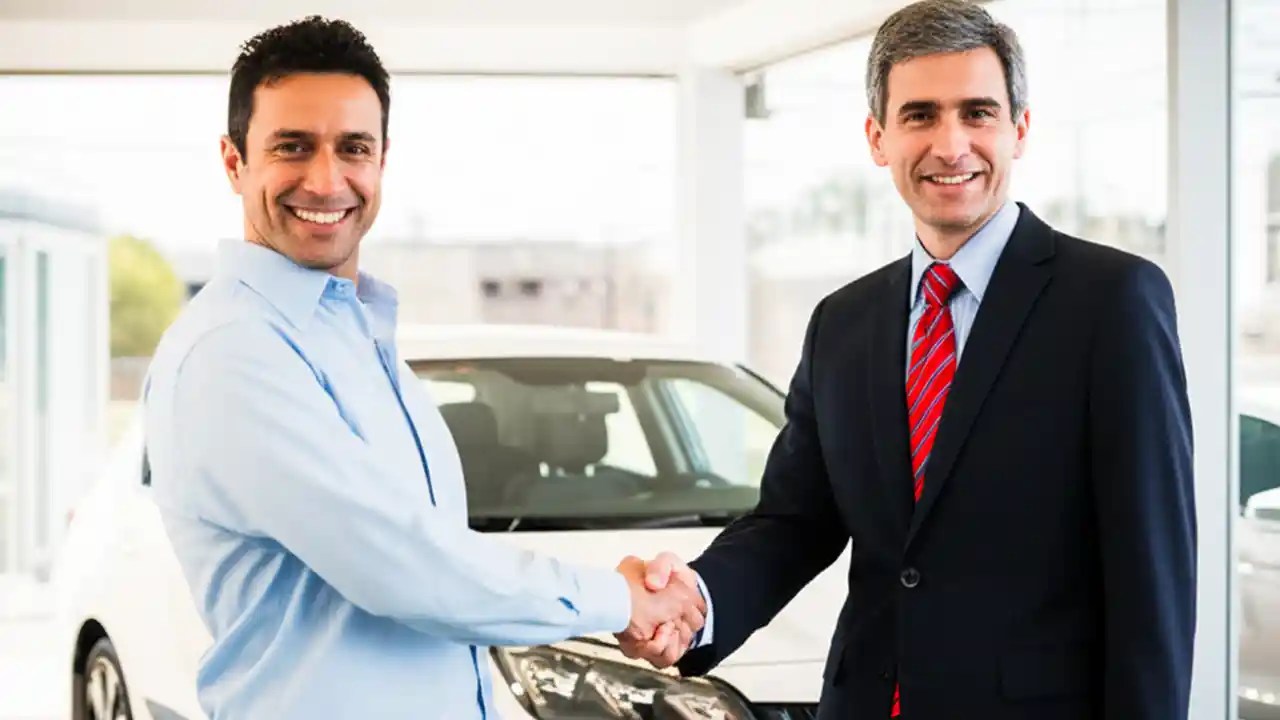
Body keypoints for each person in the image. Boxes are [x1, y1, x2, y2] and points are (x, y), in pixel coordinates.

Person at [617, 1, 1196, 718]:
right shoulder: (844, 322)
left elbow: (1152, 572)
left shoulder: (1111, 302)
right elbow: (795, 523)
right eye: (920, 115)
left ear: (1019, 129)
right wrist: (696, 601)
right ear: (878, 137)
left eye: (977, 112)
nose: (951, 145)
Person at [141, 17, 704, 719]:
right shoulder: (232, 352)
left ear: (380, 161)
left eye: (353, 148)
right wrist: (620, 597)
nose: (326, 179)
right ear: (234, 162)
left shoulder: (354, 337)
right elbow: (403, 566)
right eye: (292, 147)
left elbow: (434, 555)